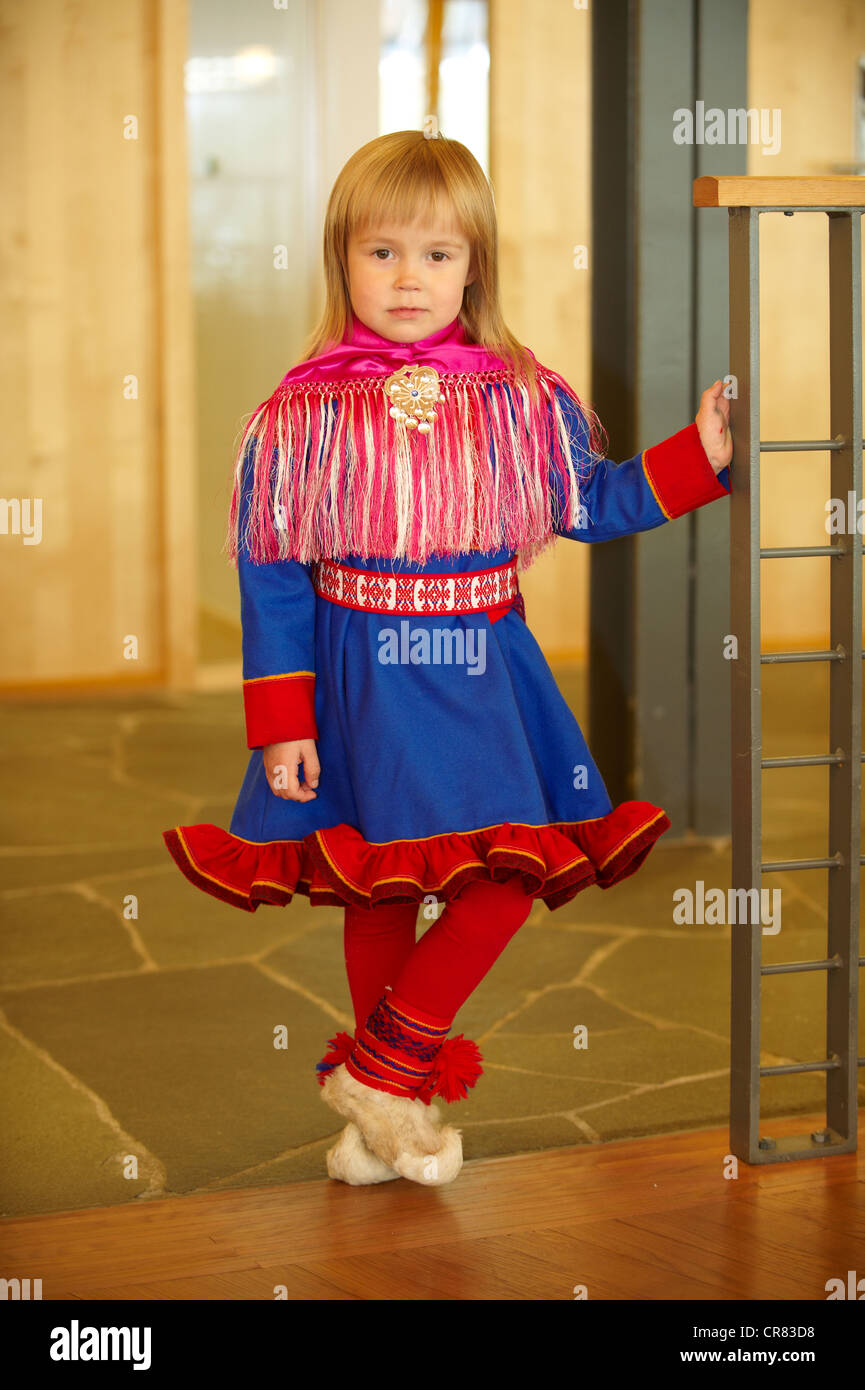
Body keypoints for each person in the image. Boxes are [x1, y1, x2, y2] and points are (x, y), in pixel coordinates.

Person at [162, 129, 732, 1188]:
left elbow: (590, 501)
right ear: (342, 261)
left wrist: (693, 456)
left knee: (506, 870)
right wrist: (282, 720)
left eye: (436, 254)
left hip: (481, 669)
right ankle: (390, 1116)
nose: (409, 278)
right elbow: (272, 567)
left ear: (476, 265)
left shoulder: (521, 394)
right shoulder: (303, 409)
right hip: (357, 673)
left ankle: (381, 1070)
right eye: (382, 253)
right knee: (376, 881)